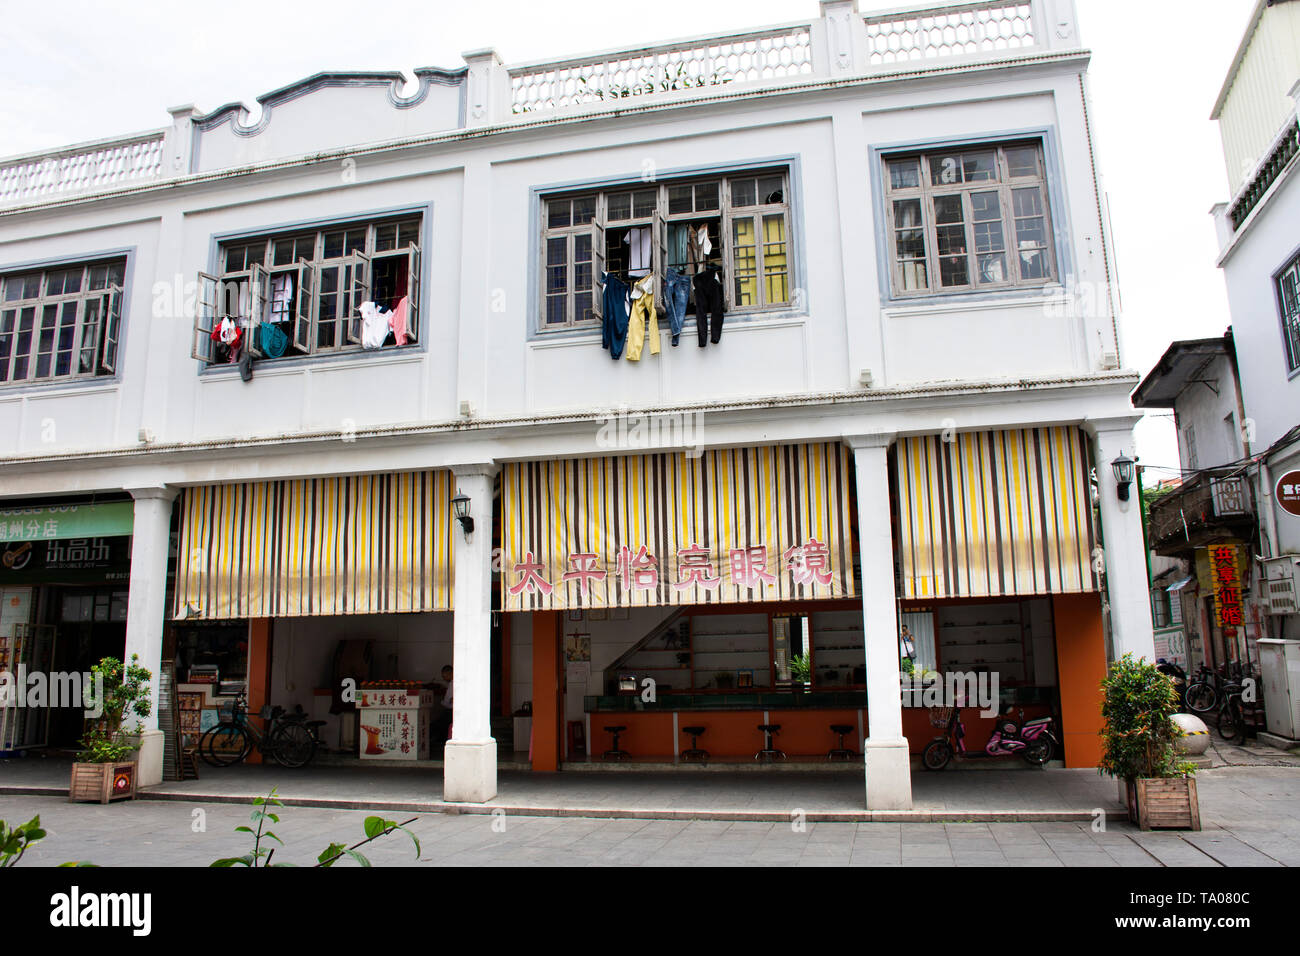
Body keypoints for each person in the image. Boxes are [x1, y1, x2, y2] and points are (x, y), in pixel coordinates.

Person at [431, 664, 454, 749]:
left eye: (444, 676)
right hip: (448, 708)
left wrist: (444, 702)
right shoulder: (451, 683)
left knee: (439, 725)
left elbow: (449, 700)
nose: (443, 678)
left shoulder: (455, 683)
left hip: (451, 710)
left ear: (450, 673)